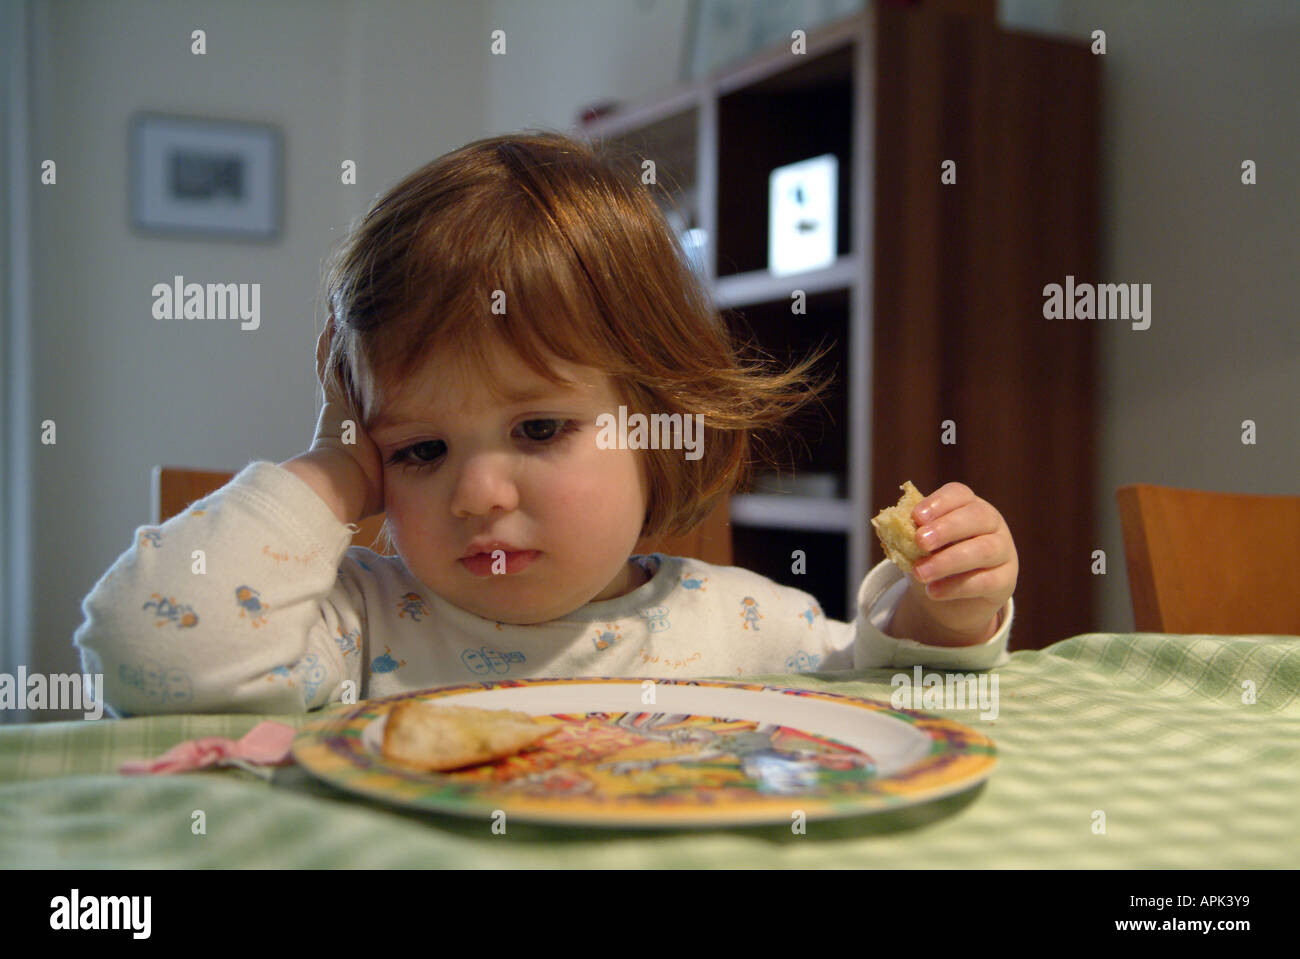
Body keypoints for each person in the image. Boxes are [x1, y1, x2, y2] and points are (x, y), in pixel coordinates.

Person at [74, 130, 1018, 717]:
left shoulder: (740, 625)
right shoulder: (355, 627)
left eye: (538, 431)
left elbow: (900, 713)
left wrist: (941, 611)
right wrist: (331, 464)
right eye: (419, 449)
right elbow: (153, 659)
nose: (478, 493)